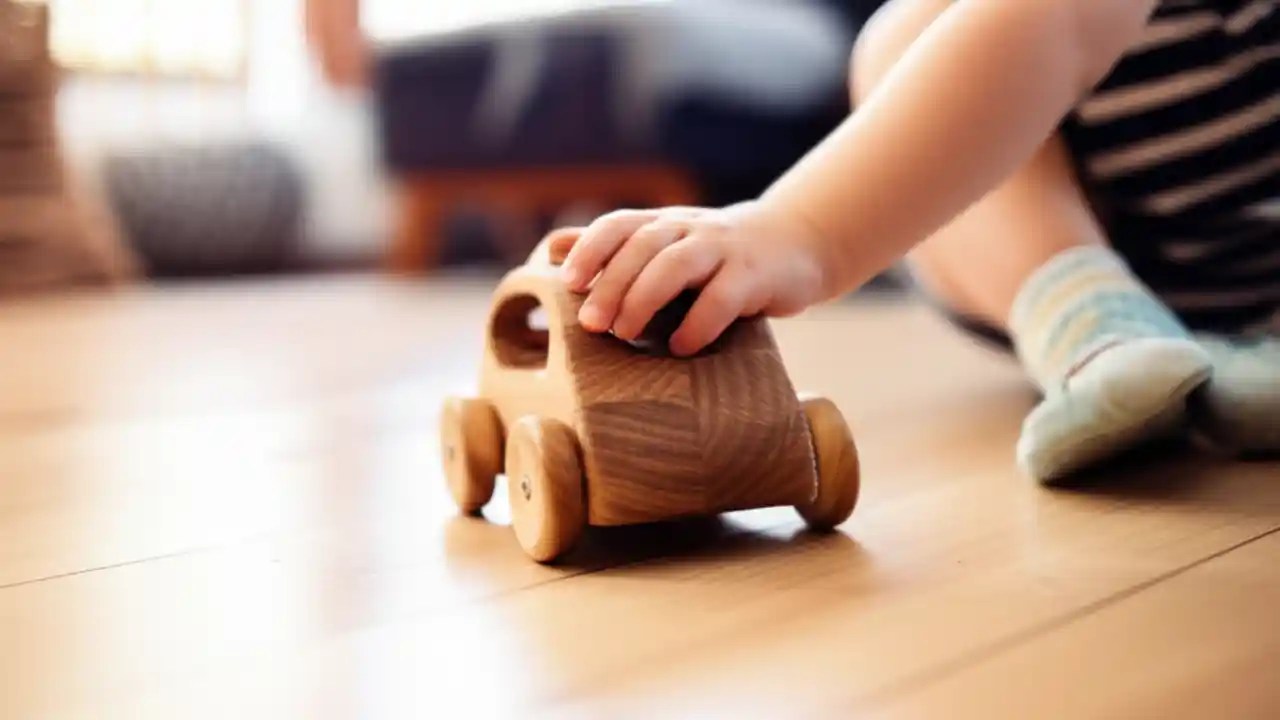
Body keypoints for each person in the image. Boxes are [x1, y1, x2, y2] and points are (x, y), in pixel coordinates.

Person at [552, 0, 1279, 483]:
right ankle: (1098, 328)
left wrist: (796, 231)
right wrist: (794, 229)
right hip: (1095, 239)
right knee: (909, 35)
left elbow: (1052, 23)